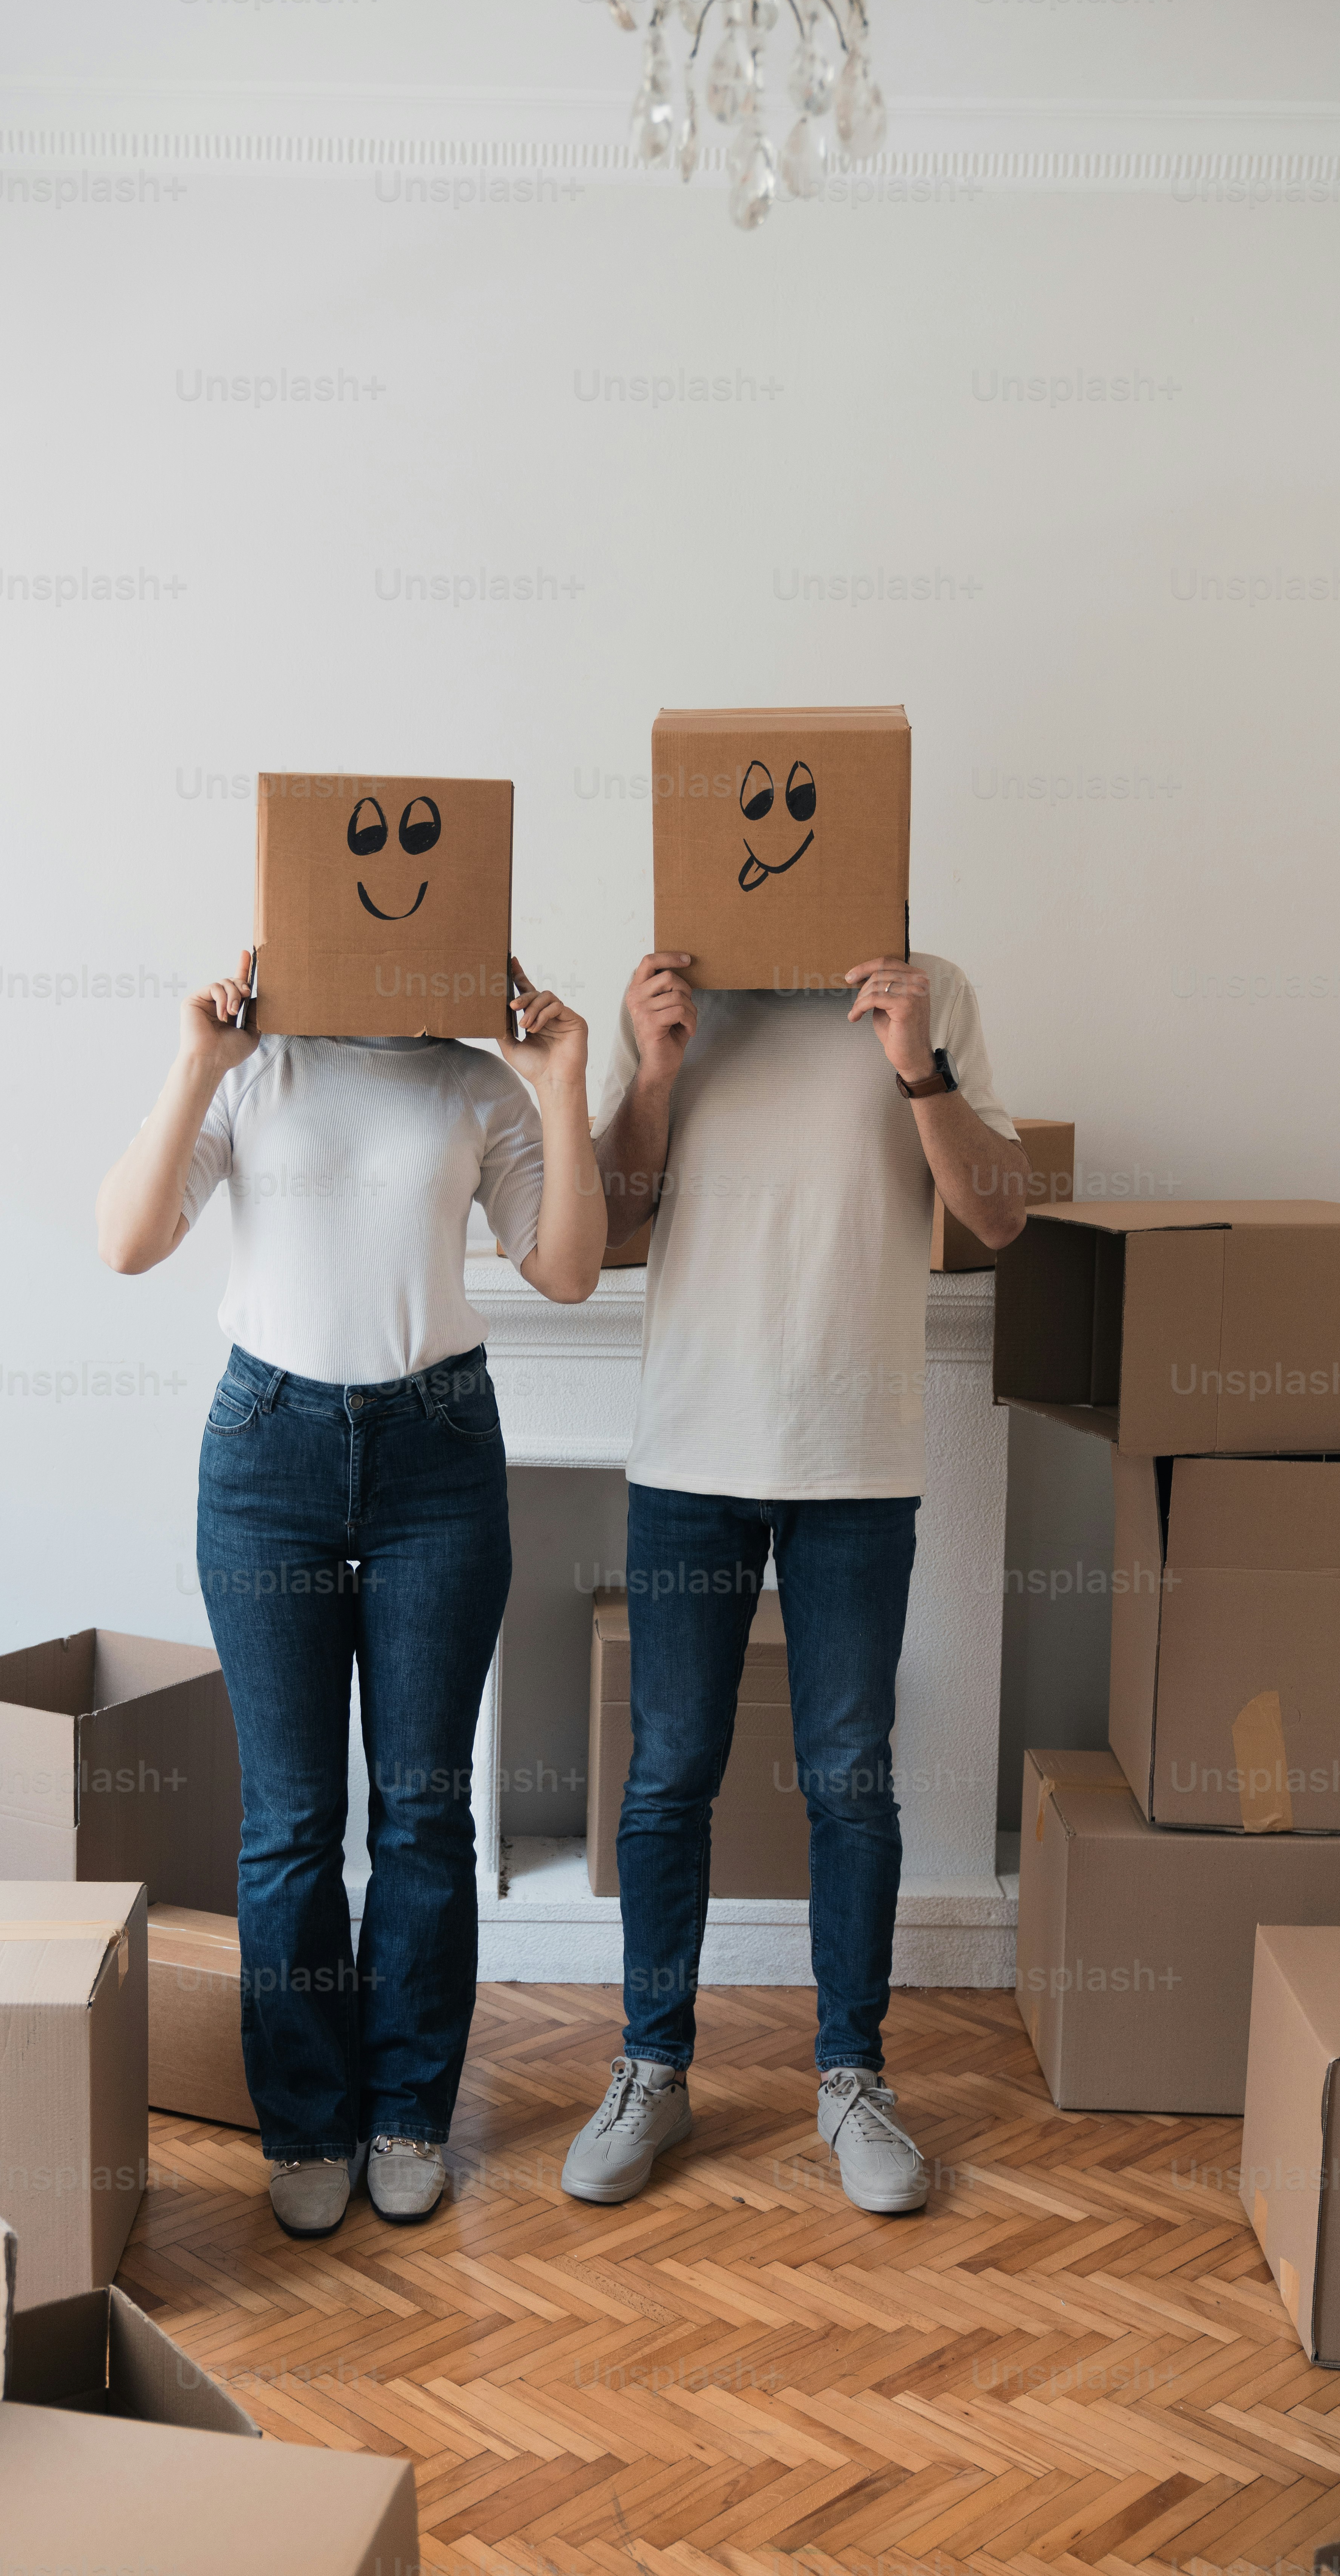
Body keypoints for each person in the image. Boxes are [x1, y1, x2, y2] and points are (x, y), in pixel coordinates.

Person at [97, 951, 604, 2237]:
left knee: (427, 1813)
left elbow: (569, 1271)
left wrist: (562, 1082)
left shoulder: (475, 1085)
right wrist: (196, 1060)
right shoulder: (254, 1068)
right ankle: (309, 2121)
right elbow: (127, 1241)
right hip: (268, 1450)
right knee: (292, 1820)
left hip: (439, 1453)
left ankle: (407, 2115)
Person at [561, 950, 1029, 2214]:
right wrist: (655, 1067)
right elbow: (607, 1229)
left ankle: (852, 2079)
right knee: (668, 1775)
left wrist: (918, 1067)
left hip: (856, 1456)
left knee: (850, 1778)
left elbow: (999, 1217)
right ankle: (653, 2066)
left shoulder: (931, 994)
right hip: (688, 1454)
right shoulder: (665, 993)